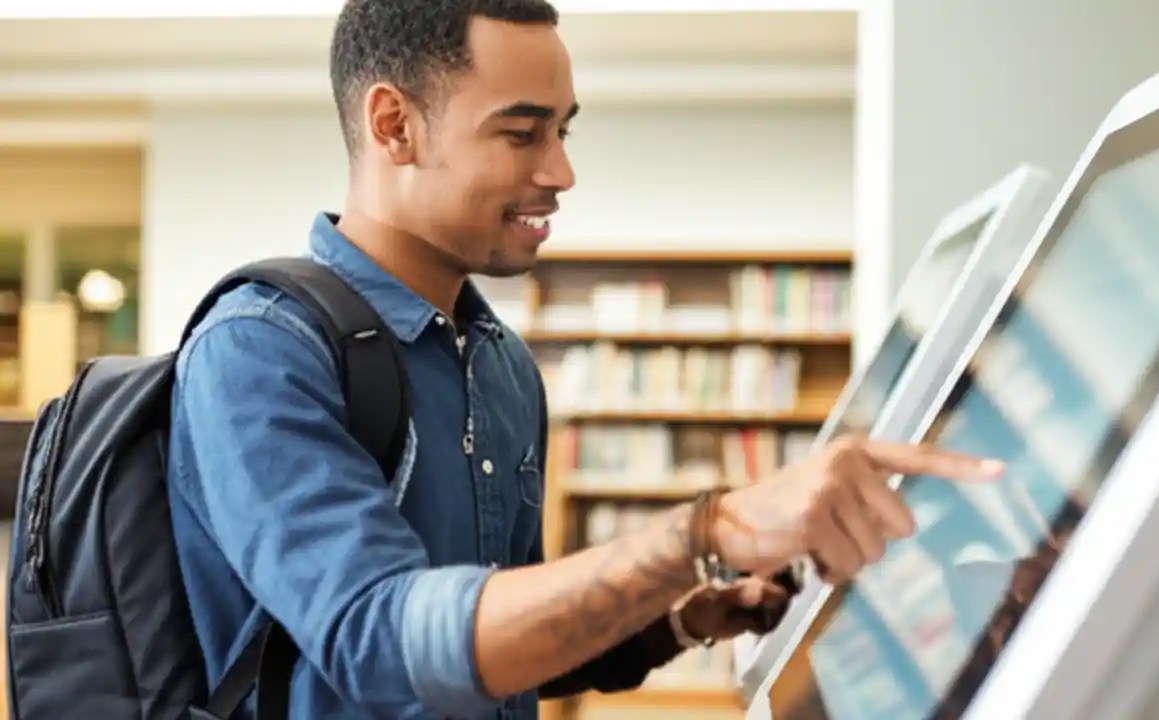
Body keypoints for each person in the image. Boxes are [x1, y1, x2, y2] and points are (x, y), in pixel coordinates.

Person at [166, 1, 1006, 718]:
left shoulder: (499, 365)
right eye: (522, 132)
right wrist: (706, 530)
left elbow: (501, 647)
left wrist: (680, 617)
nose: (561, 171)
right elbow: (380, 639)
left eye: (562, 132)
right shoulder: (258, 349)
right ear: (395, 125)